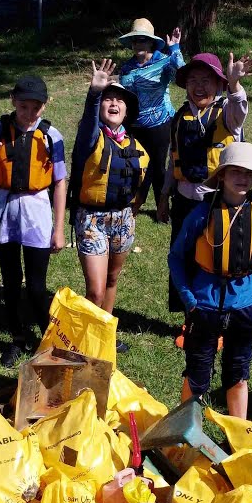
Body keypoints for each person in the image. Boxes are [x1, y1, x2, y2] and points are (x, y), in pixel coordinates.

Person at [168, 142, 252, 419]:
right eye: (236, 172)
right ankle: (184, 437)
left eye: (249, 174)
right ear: (222, 176)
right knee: (197, 374)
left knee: (238, 372)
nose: (243, 179)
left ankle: (236, 438)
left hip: (247, 306)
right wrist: (190, 300)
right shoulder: (202, 213)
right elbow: (176, 257)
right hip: (204, 306)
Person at [0, 76, 67, 368]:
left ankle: (48, 338)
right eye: (23, 105)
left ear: (44, 106)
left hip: (36, 210)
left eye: (35, 107)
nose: (29, 112)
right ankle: (16, 338)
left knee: (36, 285)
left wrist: (58, 229)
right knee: (10, 280)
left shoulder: (51, 135)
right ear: (13, 101)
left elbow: (60, 182)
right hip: (5, 209)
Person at [161, 51, 252, 340]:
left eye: (206, 80)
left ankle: (216, 322)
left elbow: (240, 110)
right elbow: (172, 157)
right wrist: (165, 193)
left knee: (215, 260)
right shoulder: (180, 116)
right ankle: (189, 317)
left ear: (218, 84)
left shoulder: (226, 112)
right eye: (193, 80)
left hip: (217, 202)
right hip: (183, 200)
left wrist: (235, 85)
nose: (199, 86)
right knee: (185, 258)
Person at [70, 60, 149, 343]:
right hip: (92, 219)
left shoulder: (135, 145)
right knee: (96, 290)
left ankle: (106, 334)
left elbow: (140, 185)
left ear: (127, 111)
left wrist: (132, 211)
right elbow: (89, 124)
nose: (114, 103)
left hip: (123, 220)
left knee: (113, 280)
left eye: (120, 100)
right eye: (108, 99)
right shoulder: (90, 137)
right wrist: (94, 93)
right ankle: (90, 339)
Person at [116, 18, 184, 219]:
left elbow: (183, 73)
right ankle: (136, 201)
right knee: (138, 164)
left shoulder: (164, 61)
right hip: (135, 125)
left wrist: (175, 48)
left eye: (143, 40)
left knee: (158, 166)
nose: (138, 44)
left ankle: (162, 206)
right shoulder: (127, 67)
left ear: (151, 43)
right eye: (135, 41)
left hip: (160, 124)